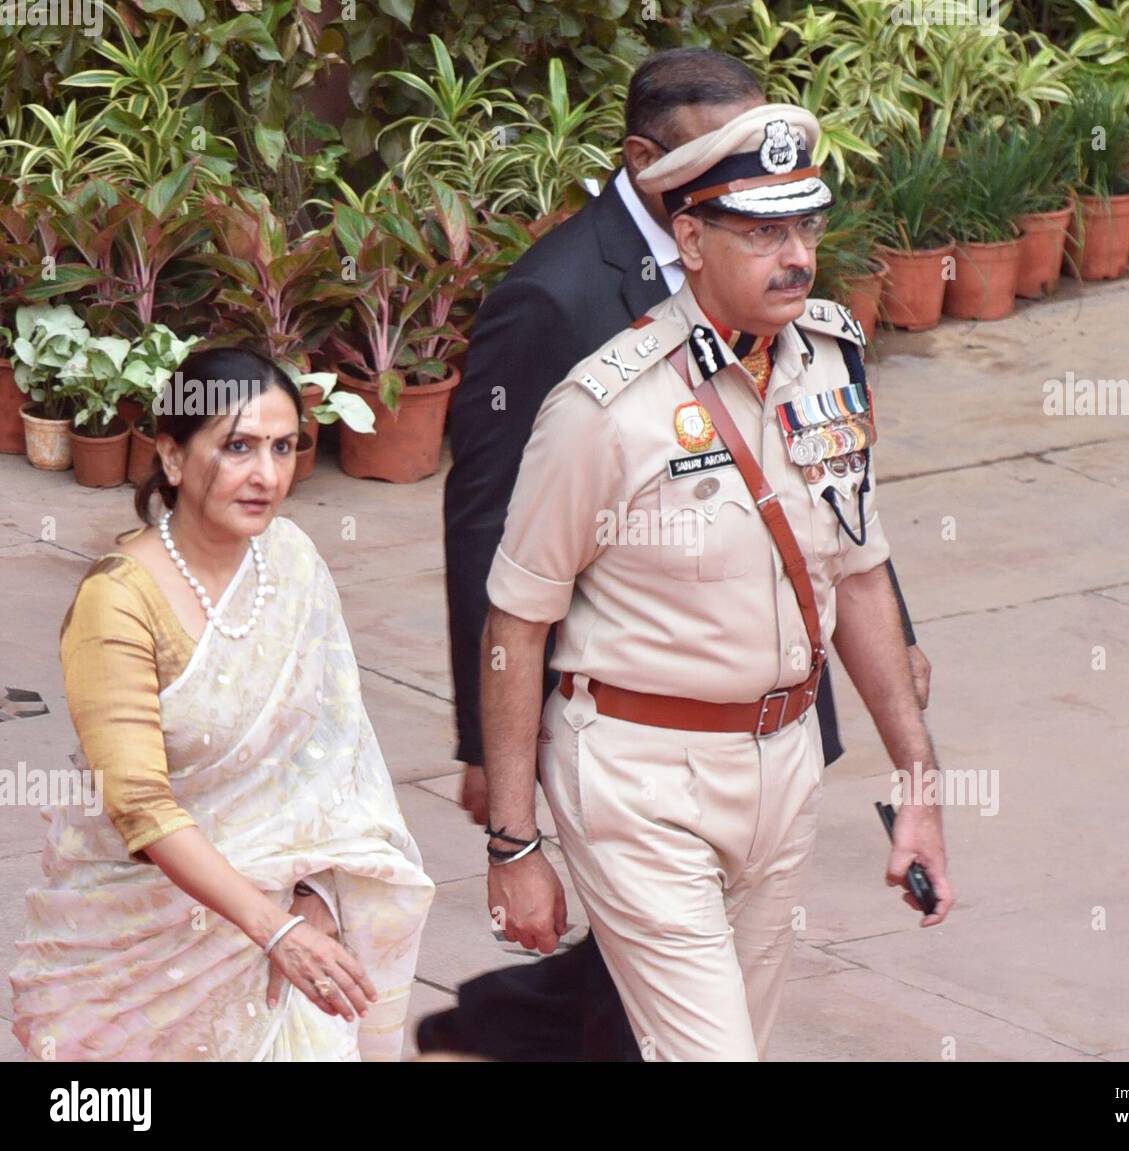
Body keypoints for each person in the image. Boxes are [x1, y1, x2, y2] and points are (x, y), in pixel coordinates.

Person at [435, 47, 929, 1061]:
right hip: (637, 768)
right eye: (763, 230)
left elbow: (852, 551)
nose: (796, 253)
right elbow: (503, 576)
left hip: (781, 758)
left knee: (703, 1033)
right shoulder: (592, 378)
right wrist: (508, 810)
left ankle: (487, 1029)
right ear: (688, 232)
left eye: (806, 224)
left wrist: (913, 765)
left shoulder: (826, 359)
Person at [9, 348, 435, 1061]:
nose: (267, 475)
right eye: (237, 447)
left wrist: (319, 899)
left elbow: (335, 758)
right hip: (142, 947)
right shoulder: (118, 601)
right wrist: (271, 927)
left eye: (282, 447)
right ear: (173, 458)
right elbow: (140, 806)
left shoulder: (293, 560)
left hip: (288, 937)